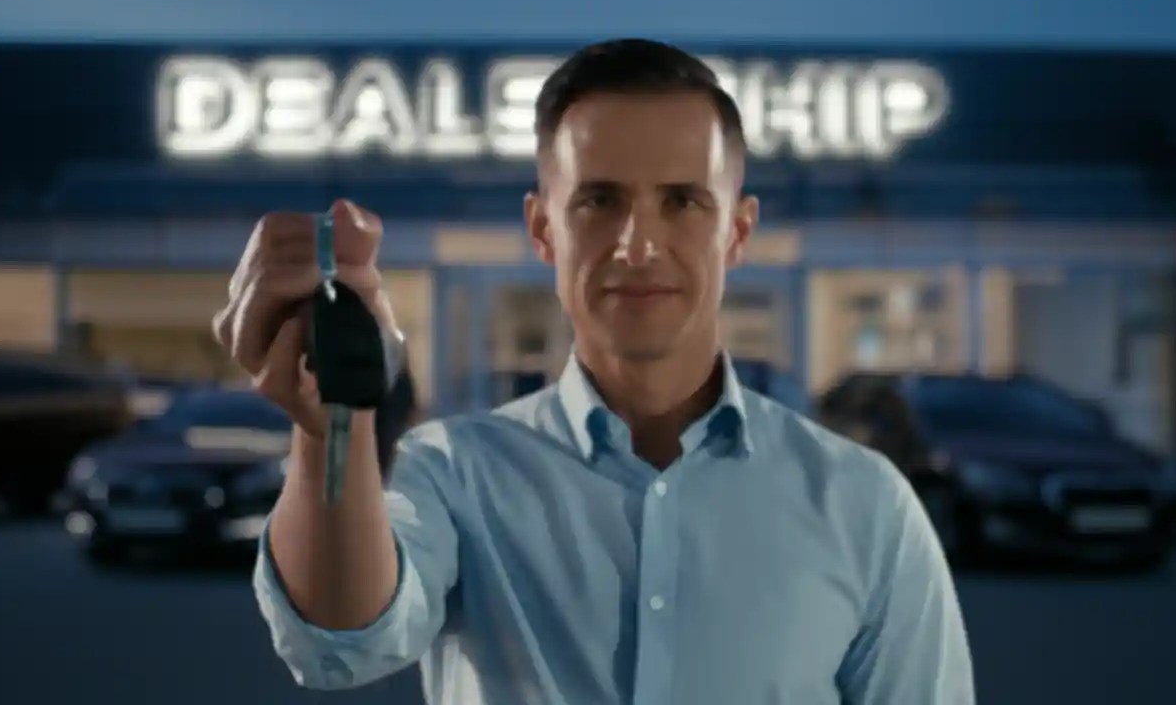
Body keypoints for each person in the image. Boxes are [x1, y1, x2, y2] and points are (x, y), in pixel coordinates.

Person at [214, 38, 975, 704]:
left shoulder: (865, 505)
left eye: (682, 201)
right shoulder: (453, 472)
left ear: (737, 232)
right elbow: (341, 643)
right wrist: (332, 423)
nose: (637, 244)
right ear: (543, 229)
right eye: (599, 201)